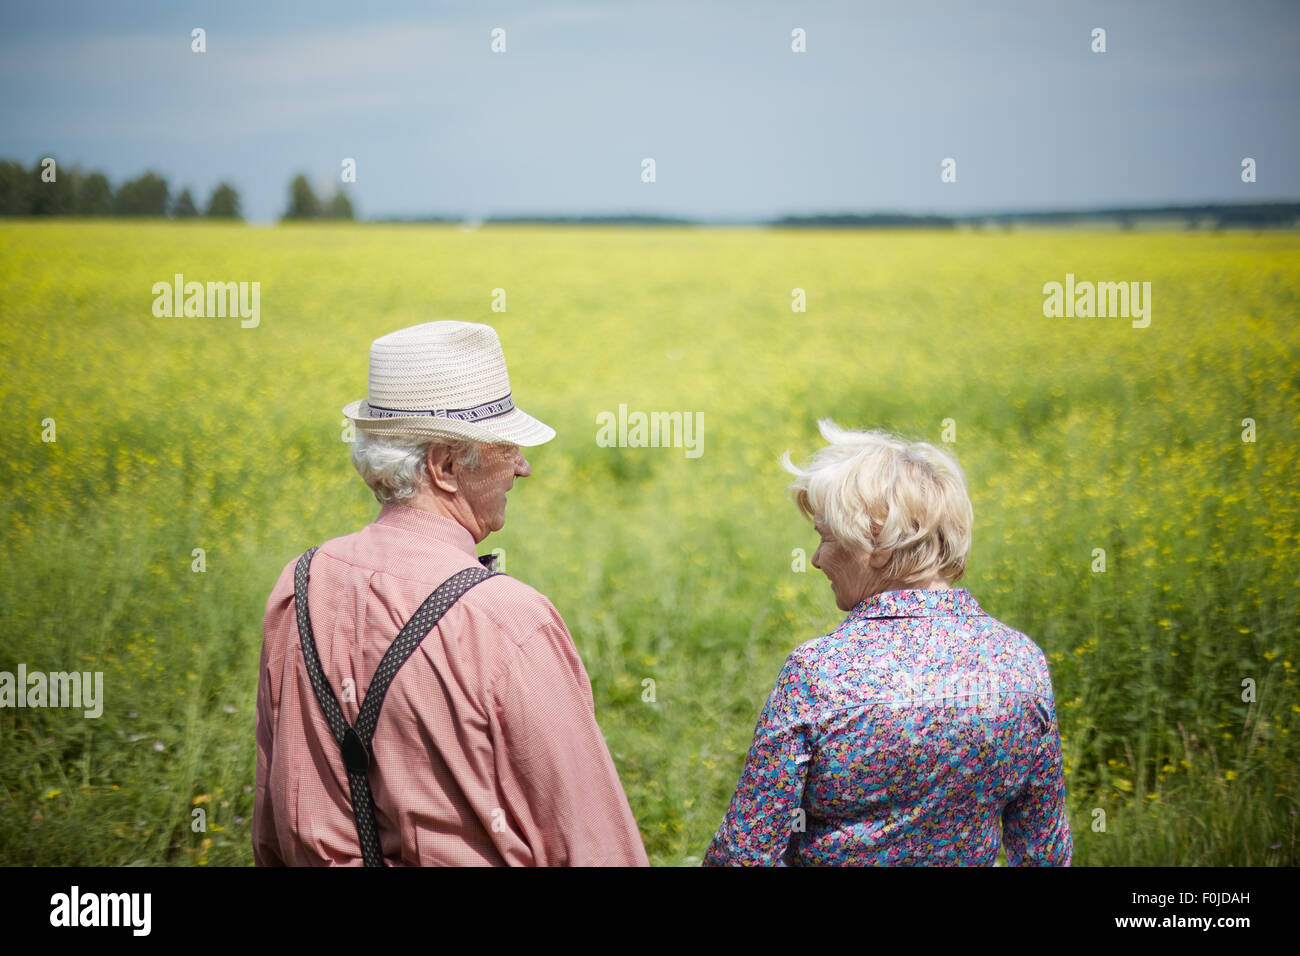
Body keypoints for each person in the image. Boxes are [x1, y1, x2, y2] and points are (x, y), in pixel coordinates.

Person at [254, 320, 648, 866]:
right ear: (443, 466)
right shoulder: (508, 620)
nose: (523, 467)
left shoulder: (300, 584)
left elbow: (273, 824)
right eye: (506, 448)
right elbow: (593, 844)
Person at [703, 419, 1072, 866]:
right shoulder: (1021, 663)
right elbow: (1044, 851)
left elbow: (744, 854)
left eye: (825, 538)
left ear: (876, 543)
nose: (817, 560)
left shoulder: (820, 672)